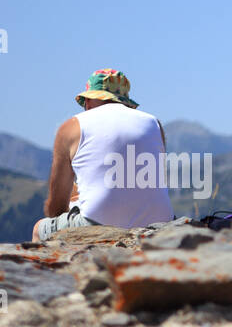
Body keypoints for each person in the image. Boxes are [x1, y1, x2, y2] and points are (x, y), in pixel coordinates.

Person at [34, 69, 174, 241]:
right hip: (160, 221)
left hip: (98, 223)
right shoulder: (154, 123)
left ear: (89, 101)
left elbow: (55, 209)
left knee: (39, 229)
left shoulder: (71, 126)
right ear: (127, 102)